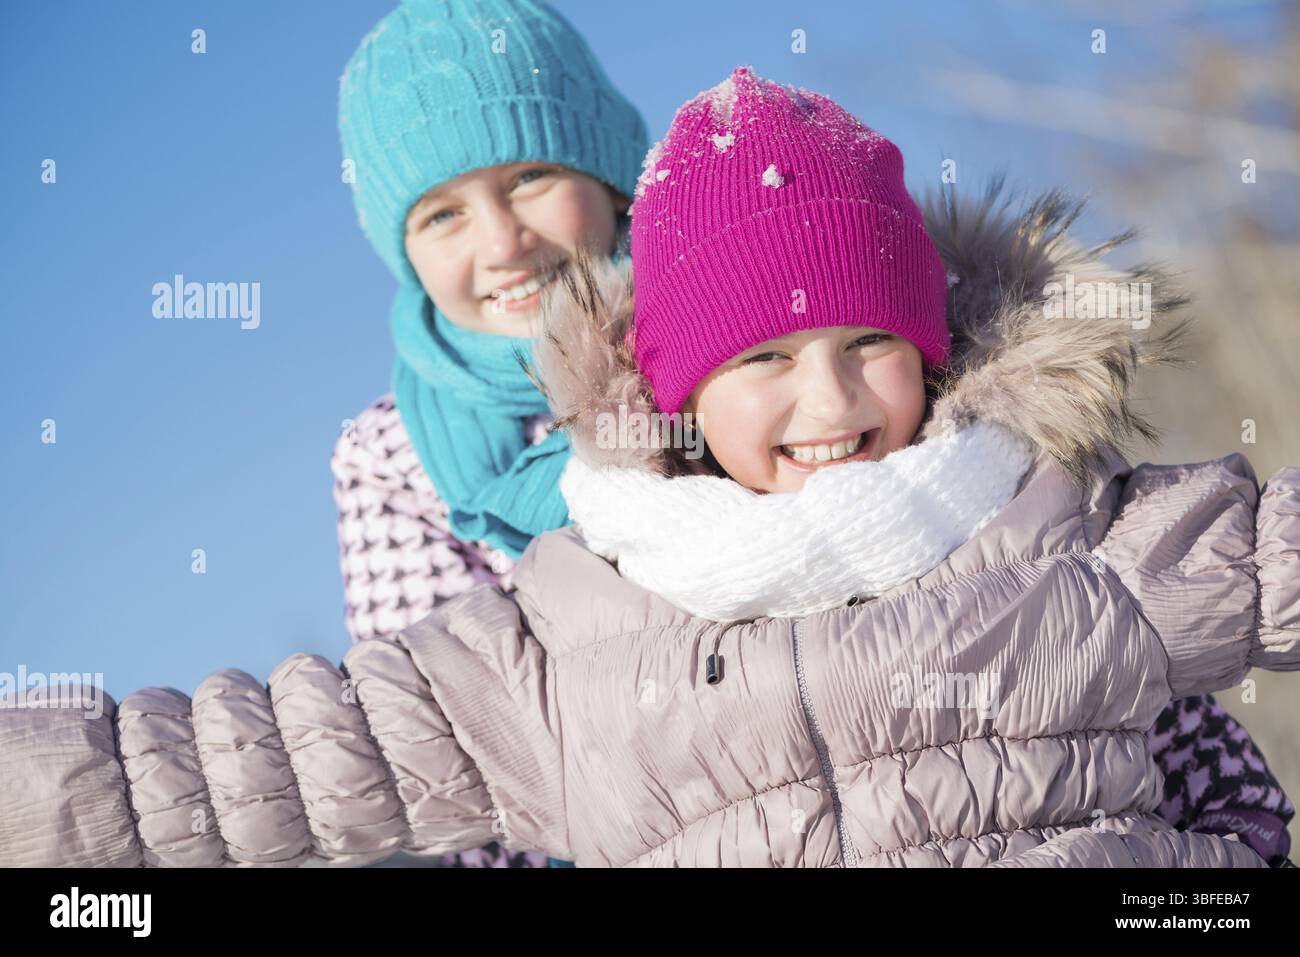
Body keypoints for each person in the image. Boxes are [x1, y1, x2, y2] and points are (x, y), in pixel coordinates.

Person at [1, 66, 1293, 868]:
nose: (828, 400)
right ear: (677, 395)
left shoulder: (1072, 534)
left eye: (870, 343)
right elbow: (244, 764)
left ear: (935, 346)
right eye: (764, 361)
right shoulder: (567, 641)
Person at [332, 0, 646, 866]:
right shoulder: (390, 457)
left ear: (610, 178)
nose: (503, 242)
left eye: (530, 178)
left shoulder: (732, 335)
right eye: (443, 215)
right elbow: (445, 733)